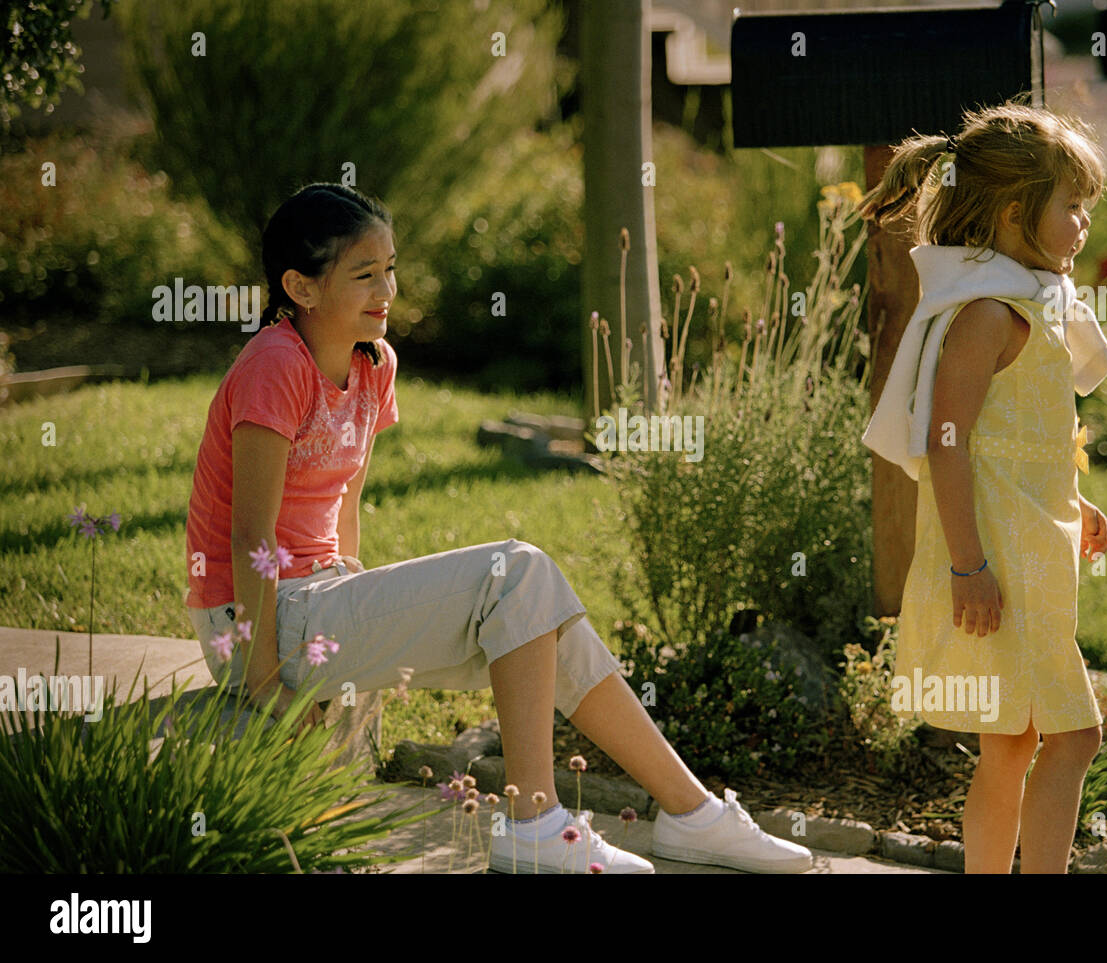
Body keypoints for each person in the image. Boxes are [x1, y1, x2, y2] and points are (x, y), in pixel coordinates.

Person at [183, 182, 811, 875]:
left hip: (322, 599)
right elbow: (251, 537)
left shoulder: (373, 362)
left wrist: (360, 597)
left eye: (390, 268)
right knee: (518, 570)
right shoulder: (275, 365)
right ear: (300, 285)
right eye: (364, 274)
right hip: (253, 621)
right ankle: (534, 820)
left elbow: (343, 505)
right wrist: (269, 680)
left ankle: (690, 812)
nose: (385, 288)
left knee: (546, 618)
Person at [859, 102, 1107, 874]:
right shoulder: (987, 314)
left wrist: (1079, 502)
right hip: (999, 562)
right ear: (1013, 212)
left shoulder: (1031, 303)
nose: (1083, 224)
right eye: (1070, 206)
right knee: (1075, 736)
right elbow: (948, 443)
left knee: (1011, 740)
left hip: (1032, 552)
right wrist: (967, 565)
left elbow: (1023, 435)